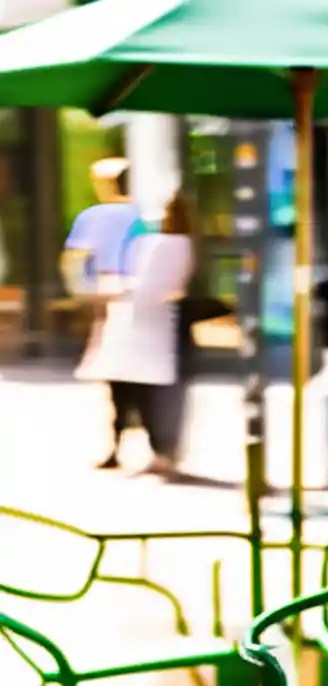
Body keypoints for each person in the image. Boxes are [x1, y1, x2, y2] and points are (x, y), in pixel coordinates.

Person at [78, 191, 193, 477]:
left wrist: (115, 288)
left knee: (129, 395)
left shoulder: (154, 245)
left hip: (134, 330)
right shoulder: (185, 246)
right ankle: (152, 452)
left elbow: (144, 288)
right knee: (144, 396)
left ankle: (130, 450)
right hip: (152, 330)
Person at [62, 158, 146, 470]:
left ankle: (118, 440)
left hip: (107, 299)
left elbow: (74, 259)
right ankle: (146, 437)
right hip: (139, 298)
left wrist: (82, 293)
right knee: (139, 372)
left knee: (114, 375)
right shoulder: (142, 216)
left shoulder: (93, 217)